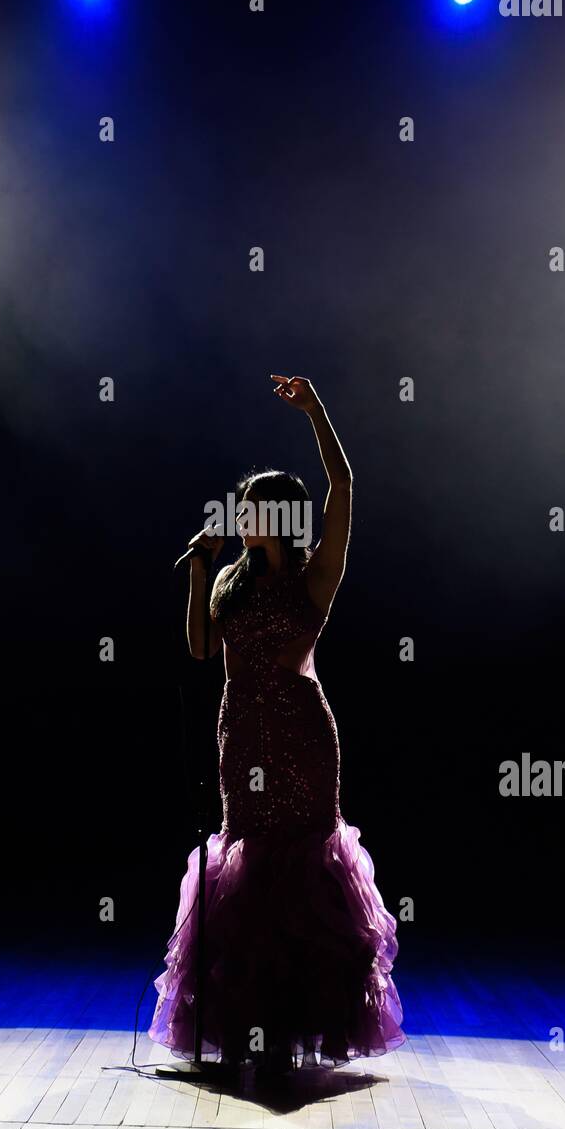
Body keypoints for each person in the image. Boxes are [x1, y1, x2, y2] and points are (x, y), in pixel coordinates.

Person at [148, 374, 405, 1080]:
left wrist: (316, 410)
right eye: (244, 506)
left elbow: (344, 488)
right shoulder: (232, 579)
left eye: (259, 508)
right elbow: (201, 650)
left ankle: (307, 1025)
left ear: (287, 519)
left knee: (303, 865)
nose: (245, 515)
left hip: (300, 734)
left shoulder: (315, 576)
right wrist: (200, 569)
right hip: (239, 733)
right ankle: (249, 1028)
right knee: (248, 863)